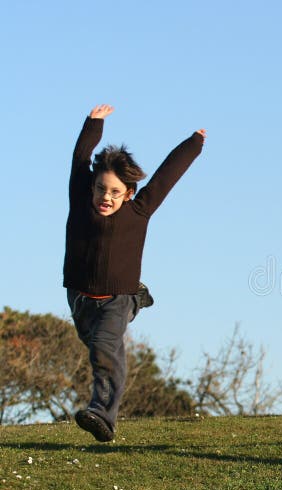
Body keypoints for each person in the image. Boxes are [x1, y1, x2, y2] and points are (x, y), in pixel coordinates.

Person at [65, 104, 205, 442]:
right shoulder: (80, 198)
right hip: (81, 295)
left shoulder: (139, 211)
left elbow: (164, 177)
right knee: (96, 346)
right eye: (101, 188)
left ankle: (102, 415)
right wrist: (93, 125)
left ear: (128, 194)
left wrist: (192, 145)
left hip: (116, 297)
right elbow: (80, 160)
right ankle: (140, 297)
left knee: (104, 347)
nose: (105, 197)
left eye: (115, 192)